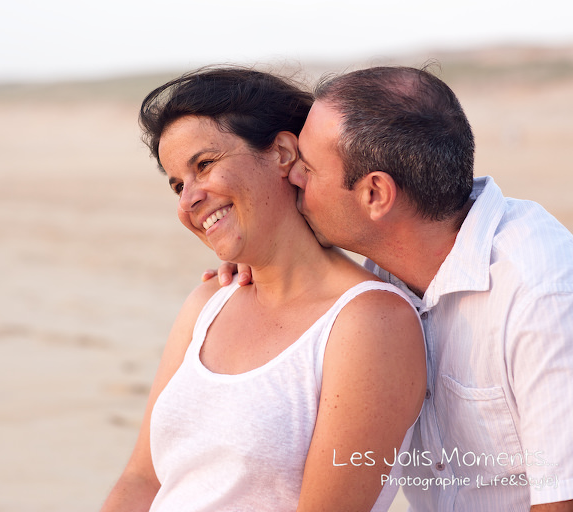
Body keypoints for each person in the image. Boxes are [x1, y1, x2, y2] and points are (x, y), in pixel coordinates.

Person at [213, 65, 573, 511]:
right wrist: (261, 256)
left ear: (375, 195)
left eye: (307, 167)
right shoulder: (387, 267)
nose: (293, 178)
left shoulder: (543, 294)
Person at [100, 67, 426, 512]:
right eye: (178, 184)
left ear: (282, 152)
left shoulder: (370, 322)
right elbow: (142, 480)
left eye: (204, 165)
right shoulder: (207, 304)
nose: (187, 200)